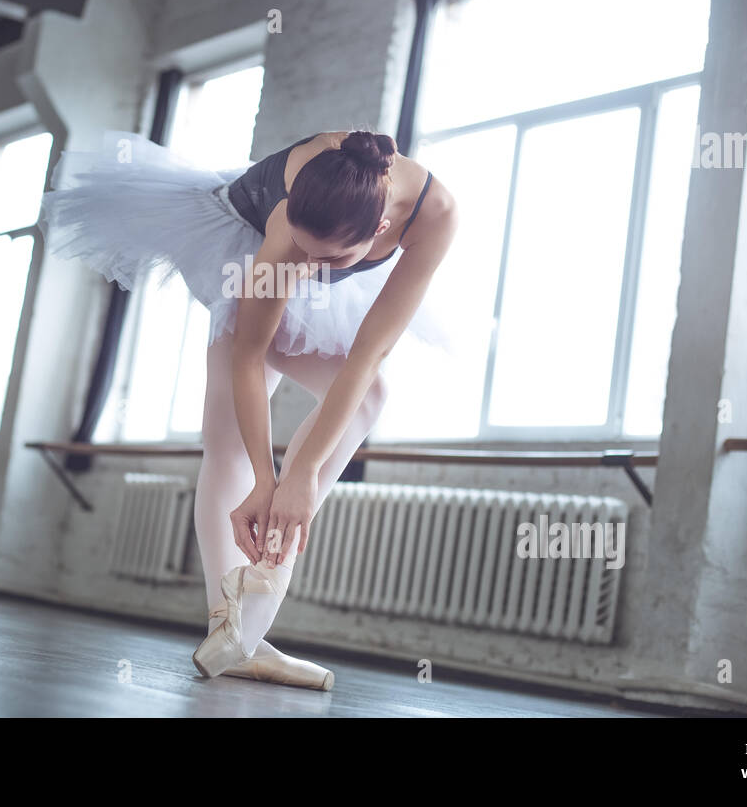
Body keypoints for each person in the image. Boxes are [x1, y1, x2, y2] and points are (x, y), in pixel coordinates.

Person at [39, 128, 458, 691]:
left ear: (381, 229)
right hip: (237, 240)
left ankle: (247, 621)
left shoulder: (436, 215)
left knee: (372, 395)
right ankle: (230, 627)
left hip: (329, 253)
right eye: (306, 254)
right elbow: (249, 353)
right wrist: (266, 477)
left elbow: (369, 353)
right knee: (229, 439)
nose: (310, 268)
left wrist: (301, 476)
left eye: (326, 258)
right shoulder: (289, 229)